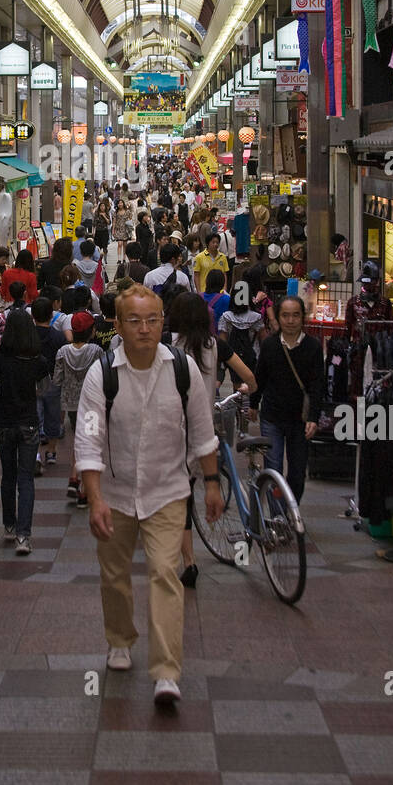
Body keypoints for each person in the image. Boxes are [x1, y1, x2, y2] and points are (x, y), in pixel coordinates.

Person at [74, 287, 222, 706]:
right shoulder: (101, 374)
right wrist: (95, 498)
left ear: (164, 322)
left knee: (164, 572)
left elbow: (202, 429)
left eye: (153, 319)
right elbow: (88, 440)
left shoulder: (183, 369)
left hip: (168, 490)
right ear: (117, 326)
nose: (145, 328)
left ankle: (167, 671)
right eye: (135, 321)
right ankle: (120, 639)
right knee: (115, 575)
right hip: (116, 495)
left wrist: (211, 483)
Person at [166, 292, 257, 589]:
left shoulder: (168, 346)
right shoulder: (215, 344)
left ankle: (189, 562)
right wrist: (243, 388)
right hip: (206, 426)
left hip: (175, 432)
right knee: (210, 477)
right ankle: (244, 551)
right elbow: (249, 378)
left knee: (183, 497)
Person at [0, 310, 50, 555]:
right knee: (26, 479)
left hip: (4, 423)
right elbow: (43, 389)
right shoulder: (38, 360)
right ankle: (24, 536)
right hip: (29, 423)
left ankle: (9, 526)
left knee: (7, 476)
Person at [248, 296, 324, 505]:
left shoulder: (313, 347)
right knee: (273, 470)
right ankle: (278, 521)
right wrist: (254, 403)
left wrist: (313, 417)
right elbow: (260, 376)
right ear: (278, 318)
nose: (290, 320)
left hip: (299, 419)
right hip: (272, 415)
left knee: (298, 473)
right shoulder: (270, 345)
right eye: (285, 315)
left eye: (295, 315)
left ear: (302, 318)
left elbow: (317, 385)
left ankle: (291, 511)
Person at [53, 312, 104, 509]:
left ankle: (74, 478)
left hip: (70, 403)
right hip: (91, 403)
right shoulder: (96, 351)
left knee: (79, 439)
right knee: (89, 444)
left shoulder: (63, 351)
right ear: (92, 331)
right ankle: (83, 491)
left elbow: (57, 379)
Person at [32, 297, 66, 466]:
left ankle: (36, 453)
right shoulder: (59, 337)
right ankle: (51, 451)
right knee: (53, 416)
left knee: (34, 417)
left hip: (32, 381)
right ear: (51, 314)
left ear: (33, 316)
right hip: (54, 381)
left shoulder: (28, 336)